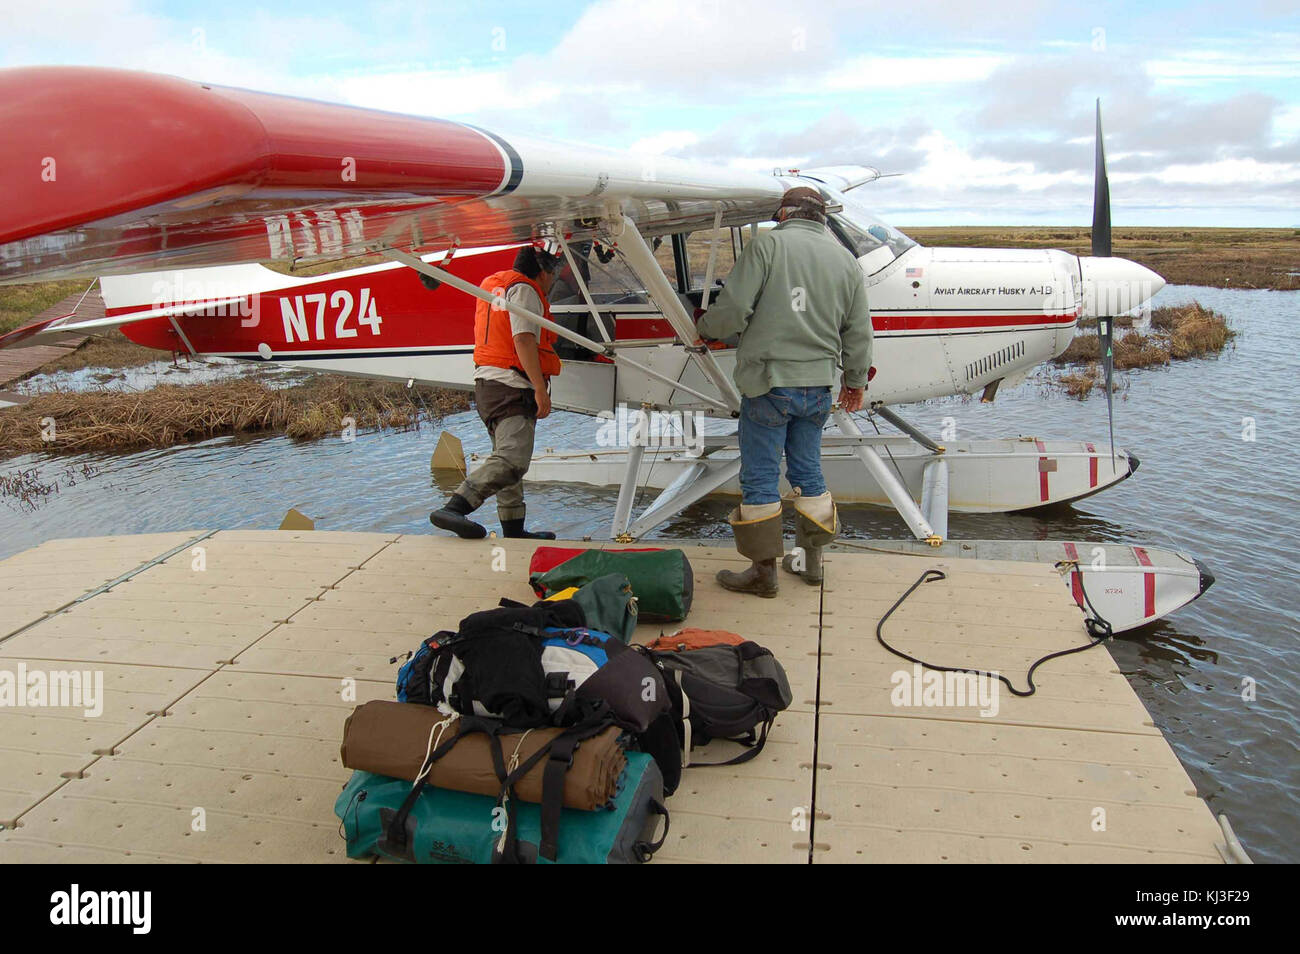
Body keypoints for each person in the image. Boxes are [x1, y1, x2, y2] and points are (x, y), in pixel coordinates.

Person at [695, 186, 872, 596]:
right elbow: (859, 330)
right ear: (821, 218)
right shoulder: (845, 260)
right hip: (818, 387)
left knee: (760, 476)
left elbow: (735, 310)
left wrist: (706, 328)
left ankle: (762, 573)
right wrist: (856, 382)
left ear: (785, 214)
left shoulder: (767, 245)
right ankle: (812, 565)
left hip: (770, 383)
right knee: (808, 472)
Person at [430, 243, 564, 540]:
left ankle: (514, 531)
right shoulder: (526, 290)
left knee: (505, 459)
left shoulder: (500, 285)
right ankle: (455, 507)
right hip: (510, 386)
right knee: (513, 460)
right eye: (554, 272)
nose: (554, 280)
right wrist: (540, 389)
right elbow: (524, 339)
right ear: (543, 271)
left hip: (489, 386)